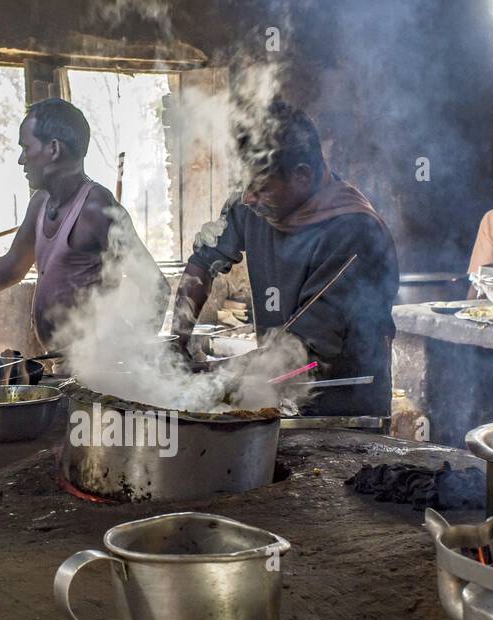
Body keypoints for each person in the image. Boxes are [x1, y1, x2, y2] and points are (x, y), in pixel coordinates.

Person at [170, 100, 400, 417]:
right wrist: (177, 341)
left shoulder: (354, 233)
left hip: (341, 410)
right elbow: (204, 260)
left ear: (301, 176)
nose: (248, 198)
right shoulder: (253, 204)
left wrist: (202, 376)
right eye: (244, 184)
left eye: (260, 187)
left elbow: (303, 355)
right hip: (274, 396)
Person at [0, 97, 165, 353]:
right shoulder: (41, 203)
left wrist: (133, 356)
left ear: (53, 149)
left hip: (99, 370)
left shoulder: (97, 209)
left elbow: (157, 288)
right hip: (64, 366)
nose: (21, 160)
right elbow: (11, 267)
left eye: (26, 148)